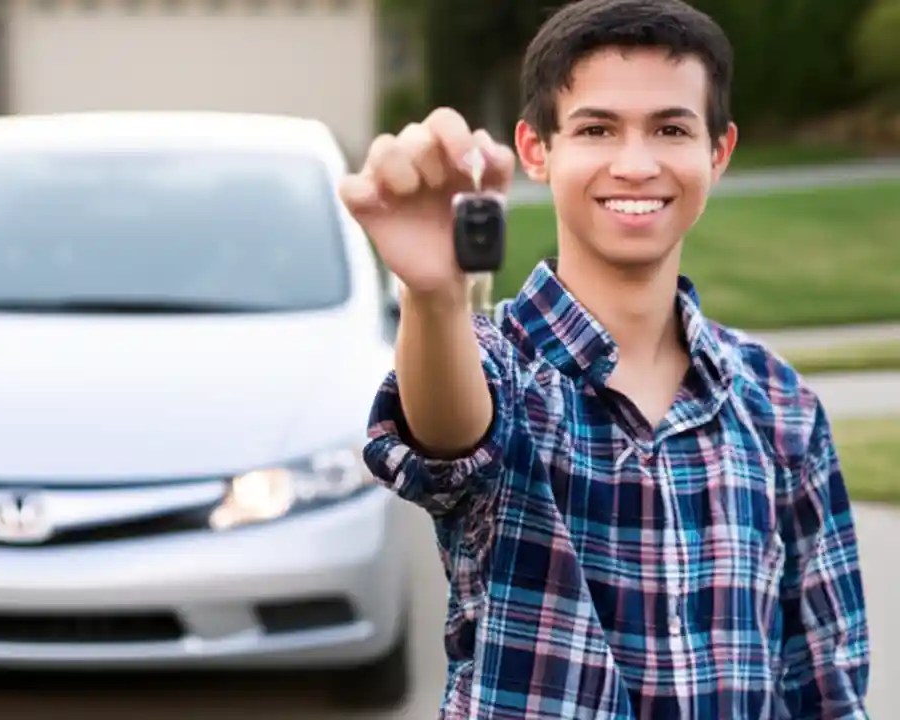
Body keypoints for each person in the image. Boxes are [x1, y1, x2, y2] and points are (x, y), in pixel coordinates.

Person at [337, 0, 870, 717]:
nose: (636, 163)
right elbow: (448, 437)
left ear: (718, 152)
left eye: (671, 128)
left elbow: (826, 683)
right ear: (536, 150)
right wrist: (435, 298)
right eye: (596, 128)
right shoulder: (501, 368)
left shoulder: (781, 406)